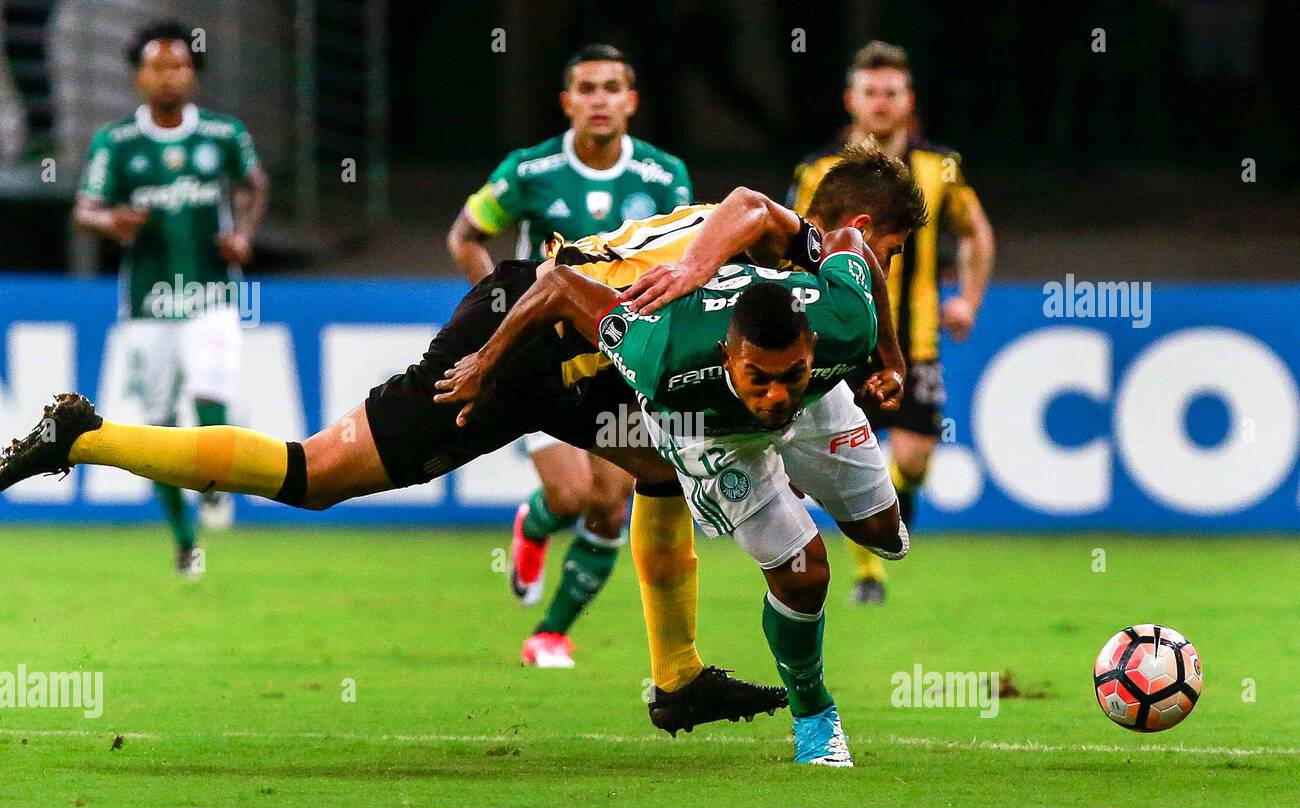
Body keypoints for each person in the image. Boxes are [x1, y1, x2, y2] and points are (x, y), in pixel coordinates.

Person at [2, 148, 924, 748]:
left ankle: (676, 678)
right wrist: (489, 360)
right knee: (318, 474)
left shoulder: (805, 273)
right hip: (536, 328)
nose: (878, 265)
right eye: (885, 249)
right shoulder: (770, 256)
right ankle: (87, 437)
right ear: (869, 234)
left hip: (593, 349)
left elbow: (807, 248)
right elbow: (602, 269)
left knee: (660, 464)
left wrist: (884, 357)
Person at [439, 223, 908, 766]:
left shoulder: (845, 325)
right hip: (704, 428)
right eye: (758, 377)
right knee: (804, 570)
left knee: (884, 537)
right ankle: (815, 716)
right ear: (727, 354)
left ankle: (803, 468)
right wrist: (484, 362)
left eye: (791, 373)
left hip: (819, 405)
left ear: (813, 348)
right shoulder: (661, 352)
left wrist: (892, 361)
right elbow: (560, 285)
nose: (776, 394)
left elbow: (850, 240)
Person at [447, 43, 691, 668]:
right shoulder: (529, 172)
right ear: (567, 102)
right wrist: (497, 303)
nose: (600, 100)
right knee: (573, 495)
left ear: (631, 101)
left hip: (618, 362)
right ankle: (534, 525)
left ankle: (550, 633)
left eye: (612, 87)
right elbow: (466, 235)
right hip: (544, 358)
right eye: (587, 88)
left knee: (612, 505)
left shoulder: (665, 177)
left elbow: (680, 256)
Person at [789, 41, 995, 605]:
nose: (881, 103)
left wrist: (968, 300)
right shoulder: (817, 170)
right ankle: (869, 575)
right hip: (841, 334)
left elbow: (975, 231)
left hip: (917, 336)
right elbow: (795, 241)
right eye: (870, 92)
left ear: (909, 100)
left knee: (913, 459)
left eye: (892, 93)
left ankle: (893, 505)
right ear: (850, 99)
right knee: (839, 454)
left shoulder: (939, 165)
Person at [72, 20, 269, 575]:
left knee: (211, 396)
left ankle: (212, 485)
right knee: (158, 426)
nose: (168, 78)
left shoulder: (223, 135)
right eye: (157, 67)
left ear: (193, 74)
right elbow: (83, 210)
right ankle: (185, 542)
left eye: (179, 66)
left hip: (211, 297)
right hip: (147, 304)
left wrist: (244, 235)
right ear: (138, 76)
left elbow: (255, 184)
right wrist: (112, 220)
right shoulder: (117, 141)